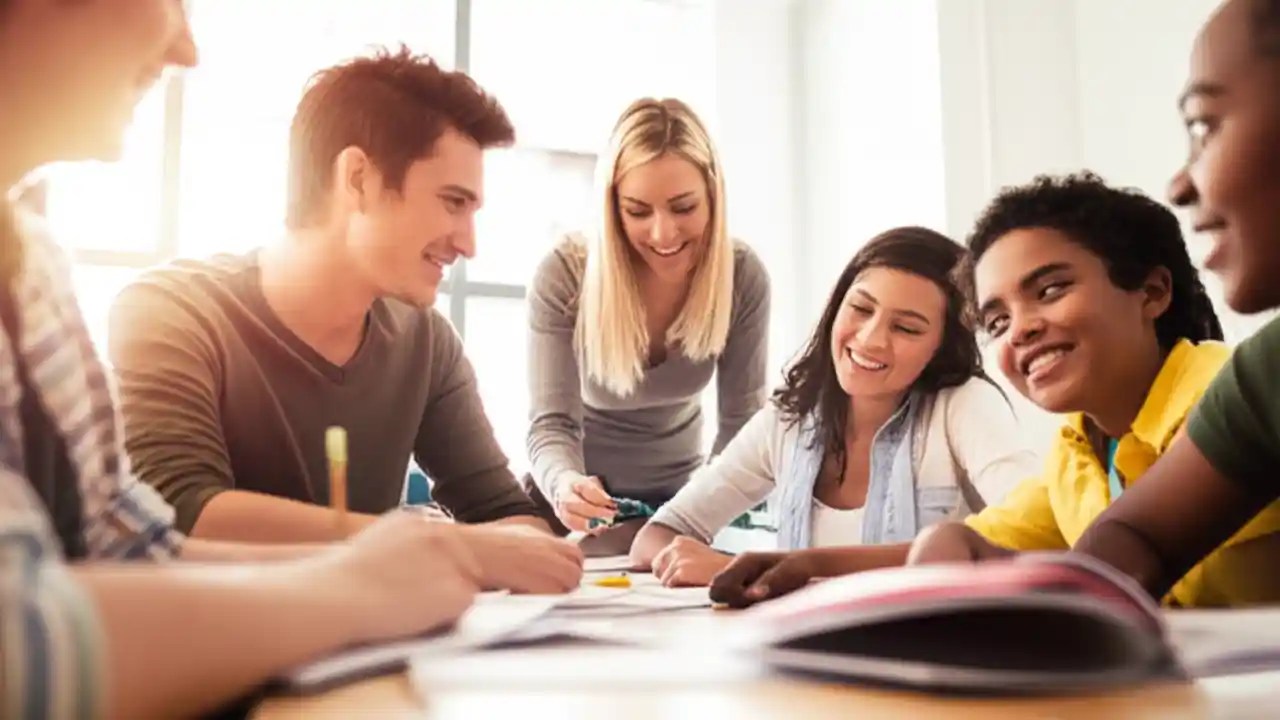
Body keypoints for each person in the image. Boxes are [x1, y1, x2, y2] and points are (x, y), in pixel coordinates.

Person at [0, 2, 488, 718]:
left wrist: (397, 564)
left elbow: (131, 546)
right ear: (357, 179)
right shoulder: (171, 306)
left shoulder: (33, 264)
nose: (188, 50)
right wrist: (361, 582)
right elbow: (18, 642)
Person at [107, 48, 583, 593]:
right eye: (453, 202)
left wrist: (506, 547)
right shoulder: (171, 312)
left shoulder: (427, 343)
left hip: (369, 639)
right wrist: (445, 545)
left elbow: (507, 517)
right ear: (357, 178)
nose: (469, 244)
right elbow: (180, 515)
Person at [709, 173, 1280, 608]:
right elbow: (972, 542)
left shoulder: (1216, 391)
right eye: (998, 321)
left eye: (1050, 290)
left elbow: (1127, 568)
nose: (1021, 329)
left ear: (1151, 293)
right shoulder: (1078, 452)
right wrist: (804, 564)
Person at [629, 227, 1037, 587]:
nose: (871, 339)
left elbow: (1037, 537)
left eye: (906, 328)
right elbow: (659, 533)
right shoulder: (788, 418)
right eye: (861, 309)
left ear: (941, 348)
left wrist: (775, 569)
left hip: (926, 646)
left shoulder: (964, 405)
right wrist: (723, 568)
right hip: (808, 646)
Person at [1042, 0, 1280, 602]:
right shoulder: (1268, 374)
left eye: (1204, 126)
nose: (1178, 184)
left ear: (1153, 293)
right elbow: (1135, 533)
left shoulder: (1208, 378)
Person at [525, 97, 770, 552]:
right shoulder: (566, 274)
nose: (663, 233)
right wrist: (565, 484)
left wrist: (697, 511)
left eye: (684, 208)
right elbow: (550, 424)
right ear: (612, 208)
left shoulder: (742, 276)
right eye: (638, 211)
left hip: (681, 507)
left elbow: (743, 427)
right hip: (571, 511)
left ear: (713, 197)